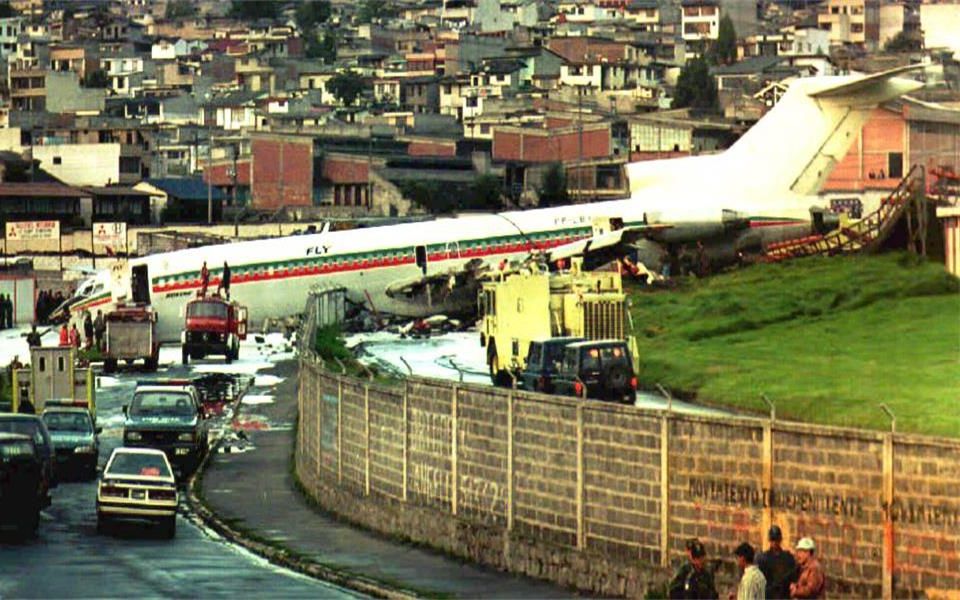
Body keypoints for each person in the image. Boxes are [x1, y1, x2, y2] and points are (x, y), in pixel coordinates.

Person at [757, 525, 798, 599]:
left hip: (784, 595)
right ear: (770, 540)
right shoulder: (764, 558)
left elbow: (793, 577)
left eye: (776, 540)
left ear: (780, 540)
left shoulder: (788, 558)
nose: (775, 543)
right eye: (773, 540)